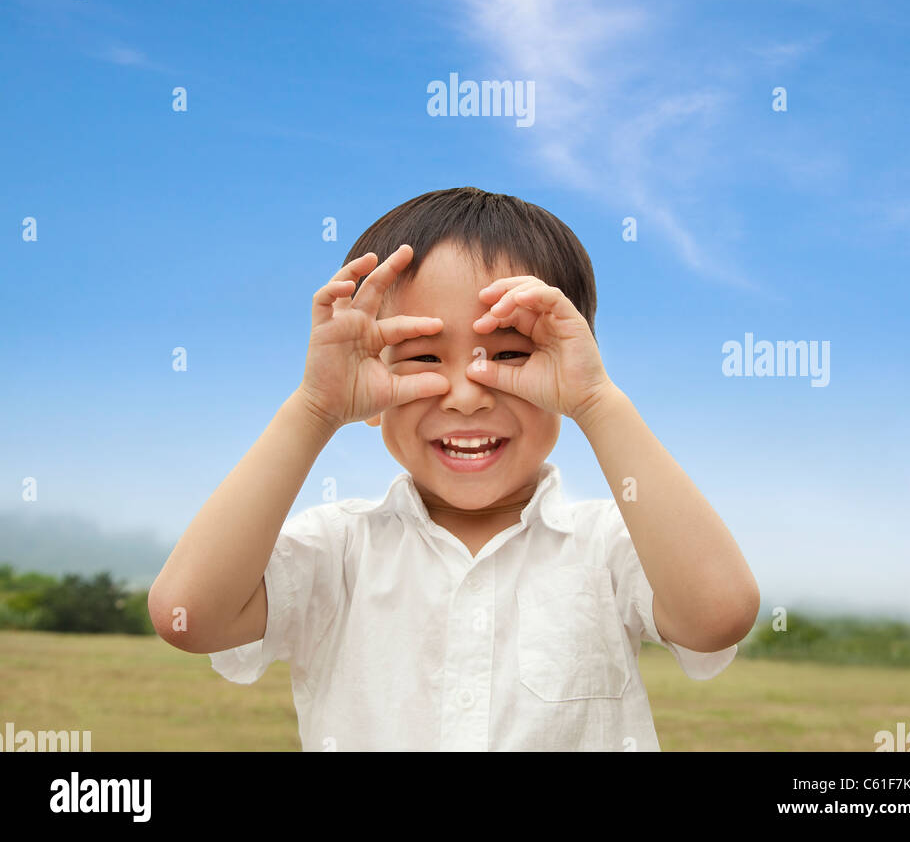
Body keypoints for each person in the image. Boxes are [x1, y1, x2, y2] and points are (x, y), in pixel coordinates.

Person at [148, 186, 759, 751]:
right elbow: (189, 616)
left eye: (511, 354)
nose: (466, 396)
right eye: (422, 357)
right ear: (368, 383)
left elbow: (718, 615)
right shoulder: (337, 553)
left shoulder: (606, 547)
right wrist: (313, 409)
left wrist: (598, 401)